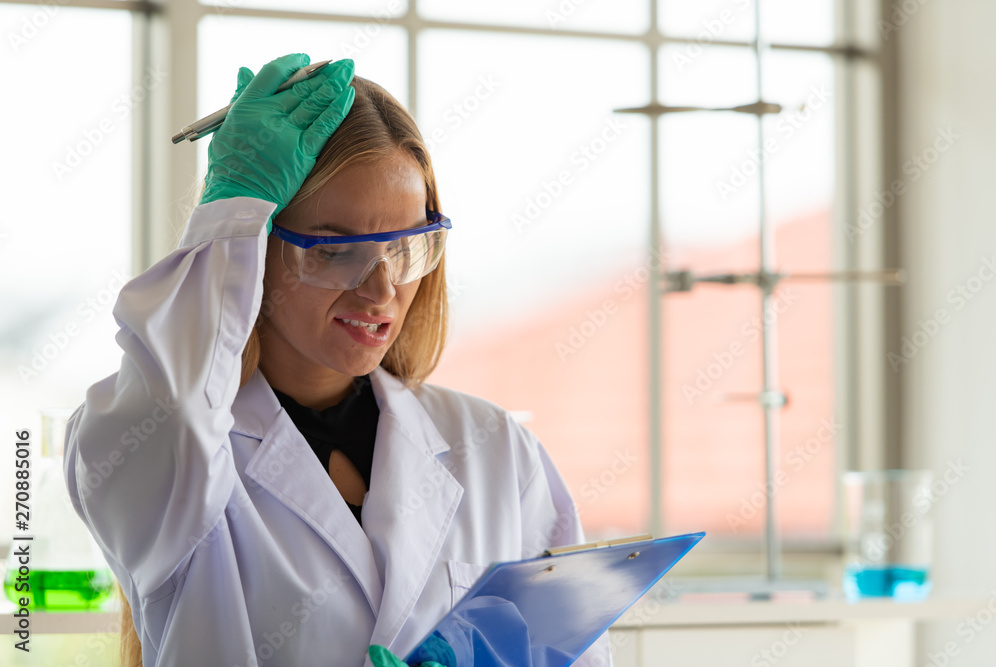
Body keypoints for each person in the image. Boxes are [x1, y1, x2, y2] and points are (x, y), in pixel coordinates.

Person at [63, 54, 612, 667]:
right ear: (256, 254)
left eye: (405, 248)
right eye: (335, 251)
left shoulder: (493, 447)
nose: (380, 291)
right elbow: (173, 402)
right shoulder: (157, 443)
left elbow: (574, 650)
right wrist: (231, 212)